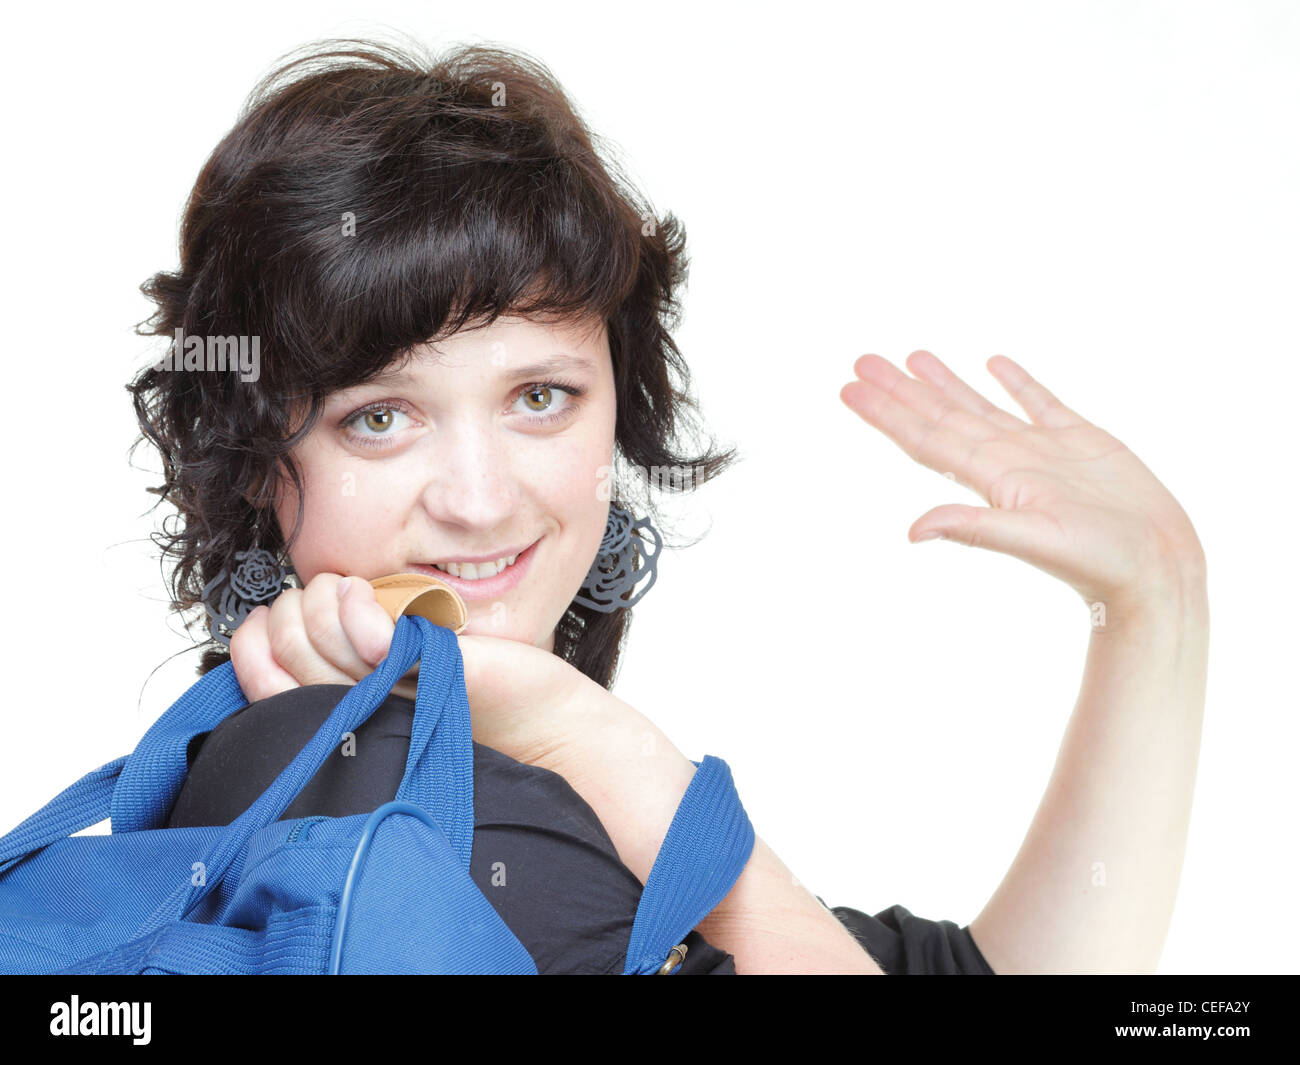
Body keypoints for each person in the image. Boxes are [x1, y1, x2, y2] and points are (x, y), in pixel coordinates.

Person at [129, 37, 1209, 975]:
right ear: (255, 458)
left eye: (540, 398)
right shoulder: (361, 800)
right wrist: (596, 740)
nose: (479, 497)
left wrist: (1158, 594)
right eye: (378, 418)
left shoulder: (489, 780)